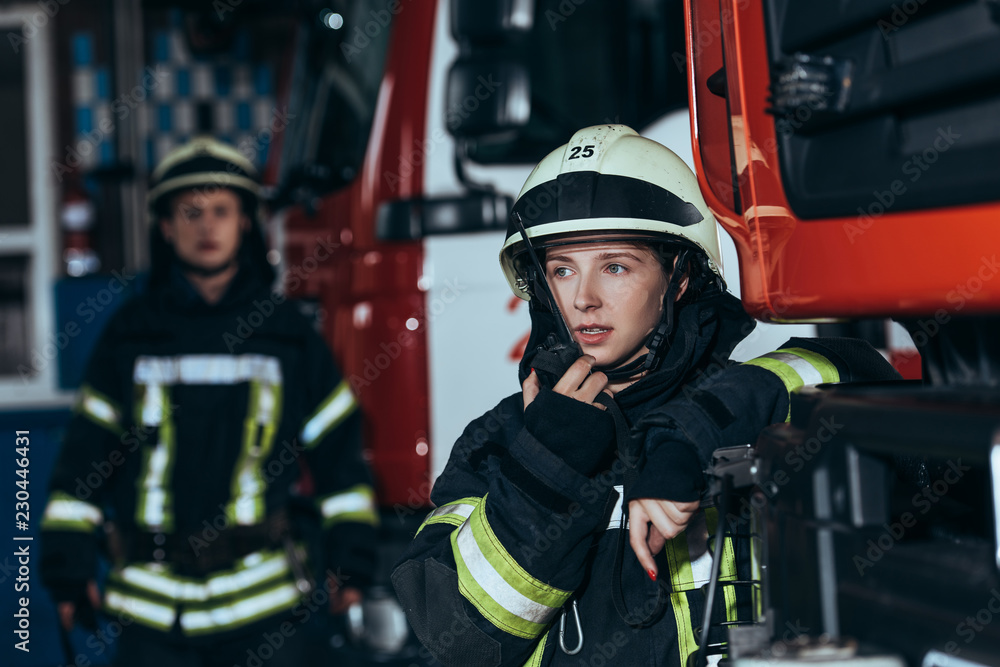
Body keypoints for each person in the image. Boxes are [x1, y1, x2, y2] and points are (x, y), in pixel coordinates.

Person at [391, 124, 899, 666]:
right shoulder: (500, 440)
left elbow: (865, 379)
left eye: (615, 266)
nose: (583, 299)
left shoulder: (745, 404)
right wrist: (550, 464)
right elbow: (459, 640)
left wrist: (691, 436)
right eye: (562, 270)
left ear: (677, 277)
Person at [40, 137, 378, 666]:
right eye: (190, 212)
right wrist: (67, 570)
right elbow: (82, 463)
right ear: (165, 227)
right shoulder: (130, 335)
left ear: (245, 222)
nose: (207, 227)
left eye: (221, 210)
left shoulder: (287, 335)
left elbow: (341, 464)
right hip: (150, 611)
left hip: (265, 606)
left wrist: (351, 568)